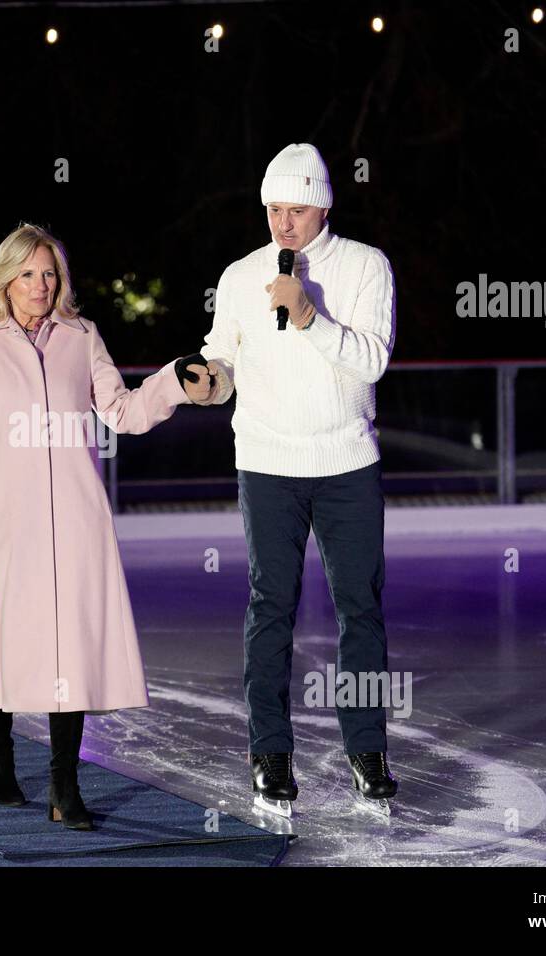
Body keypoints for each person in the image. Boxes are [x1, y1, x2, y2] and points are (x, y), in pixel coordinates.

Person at [0, 223, 211, 830]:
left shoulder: (81, 336)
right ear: (5, 279)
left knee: (66, 643)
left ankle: (64, 785)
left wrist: (174, 380)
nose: (40, 286)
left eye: (49, 274)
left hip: (73, 518)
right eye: (28, 274)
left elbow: (121, 411)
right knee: (0, 637)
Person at [190, 143, 400, 815]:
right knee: (270, 608)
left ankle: (367, 751)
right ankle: (270, 756)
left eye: (297, 209)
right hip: (267, 465)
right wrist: (207, 383)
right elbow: (223, 363)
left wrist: (308, 315)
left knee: (359, 611)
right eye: (274, 209)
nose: (284, 224)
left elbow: (370, 362)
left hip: (347, 466)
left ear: (325, 206)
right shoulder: (240, 275)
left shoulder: (367, 266)